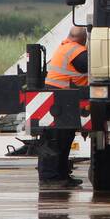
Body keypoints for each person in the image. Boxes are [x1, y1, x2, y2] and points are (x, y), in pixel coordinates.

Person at [37, 25, 89, 189]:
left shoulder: (65, 47)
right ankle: (51, 178)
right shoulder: (76, 51)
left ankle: (60, 176)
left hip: (59, 97)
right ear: (83, 38)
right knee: (56, 140)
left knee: (62, 138)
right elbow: (93, 66)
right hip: (60, 98)